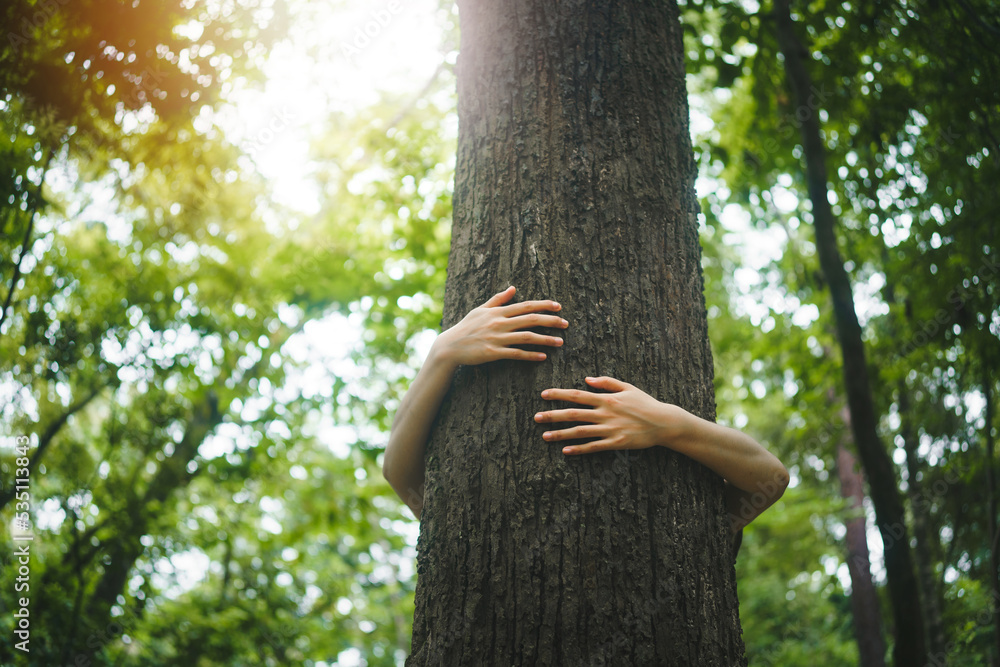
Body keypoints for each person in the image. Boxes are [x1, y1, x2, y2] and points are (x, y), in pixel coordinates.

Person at [381, 285, 789, 557]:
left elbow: (769, 477)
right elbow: (400, 474)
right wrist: (442, 354)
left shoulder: (694, 539)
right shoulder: (475, 532)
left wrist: (667, 424)